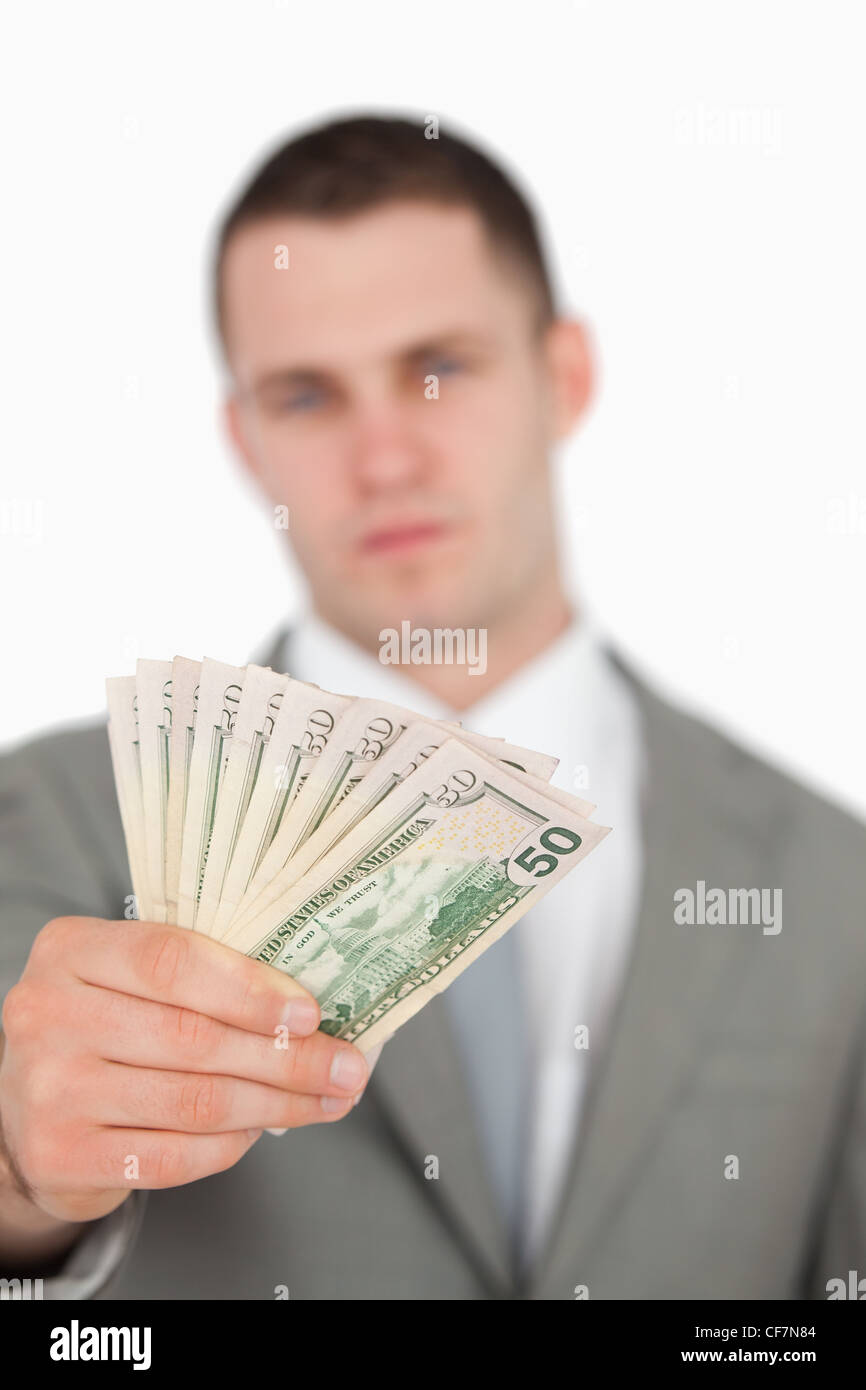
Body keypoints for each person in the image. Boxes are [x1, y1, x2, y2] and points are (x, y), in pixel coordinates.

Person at [0, 115, 863, 1301]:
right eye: (306, 397)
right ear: (246, 439)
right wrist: (20, 1188)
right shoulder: (43, 822)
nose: (384, 458)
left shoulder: (832, 879)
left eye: (438, 368)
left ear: (563, 376)